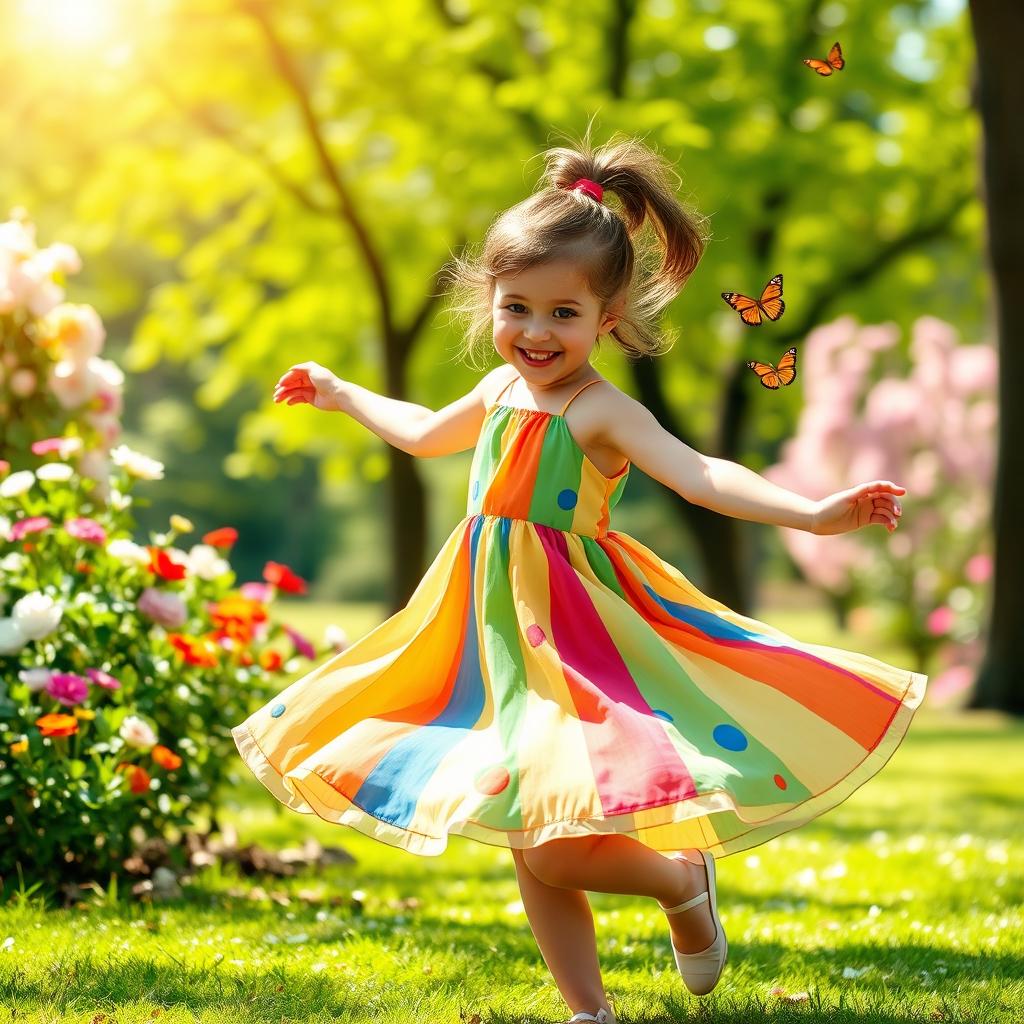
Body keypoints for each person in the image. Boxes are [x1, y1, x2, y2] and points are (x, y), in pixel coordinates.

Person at [232, 131, 927, 1024]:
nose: (535, 332)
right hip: (485, 630)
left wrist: (812, 512)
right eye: (516, 307)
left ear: (608, 319)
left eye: (564, 314)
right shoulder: (497, 392)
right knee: (530, 836)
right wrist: (340, 392)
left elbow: (701, 472)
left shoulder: (603, 410)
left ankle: (682, 881)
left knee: (559, 849)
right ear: (491, 304)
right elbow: (419, 431)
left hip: (578, 635)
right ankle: (588, 1012)